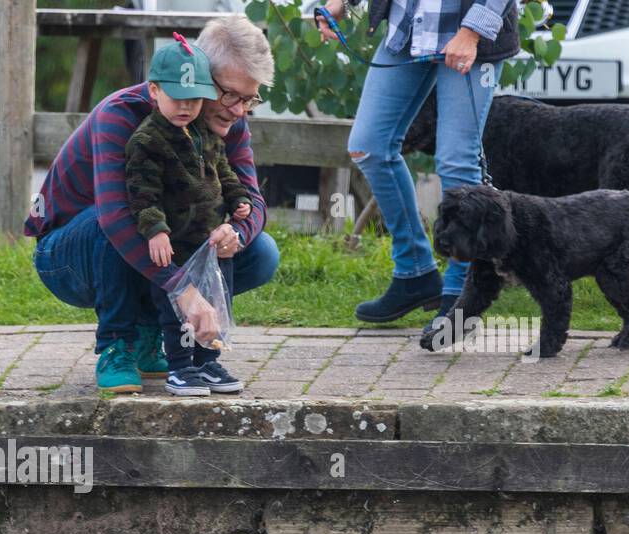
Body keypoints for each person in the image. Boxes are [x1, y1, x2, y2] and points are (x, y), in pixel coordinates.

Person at [26, 15, 278, 394]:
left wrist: (236, 231)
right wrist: (184, 290)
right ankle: (116, 345)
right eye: (229, 95)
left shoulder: (229, 121)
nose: (238, 110)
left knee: (260, 252)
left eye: (250, 98)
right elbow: (114, 218)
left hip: (150, 247)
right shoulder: (122, 114)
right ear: (200, 75)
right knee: (116, 219)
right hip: (69, 257)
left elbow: (252, 199)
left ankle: (151, 331)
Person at [316, 0, 518, 332]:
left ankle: (462, 290)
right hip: (408, 30)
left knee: (456, 161)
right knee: (368, 147)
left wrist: (472, 31)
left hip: (470, 36)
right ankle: (414, 273)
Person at [126, 35, 251, 396]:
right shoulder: (146, 141)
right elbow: (141, 192)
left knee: (216, 299)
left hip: (210, 240)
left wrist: (237, 197)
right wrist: (155, 231)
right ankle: (179, 367)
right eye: (177, 98)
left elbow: (223, 170)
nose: (186, 106)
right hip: (175, 243)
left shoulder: (203, 132)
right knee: (177, 309)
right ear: (154, 91)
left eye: (195, 99)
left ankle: (206, 362)